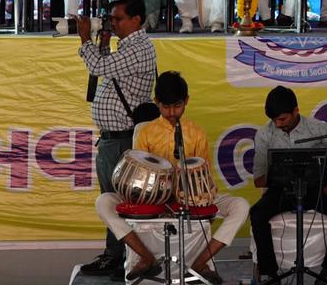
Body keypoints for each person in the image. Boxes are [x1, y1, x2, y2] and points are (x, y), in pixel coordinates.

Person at [92, 71, 249, 282]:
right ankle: (145, 258)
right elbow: (139, 172)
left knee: (240, 206)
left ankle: (201, 262)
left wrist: (200, 190)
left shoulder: (196, 133)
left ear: (186, 101)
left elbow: (204, 174)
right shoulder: (146, 132)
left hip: (190, 199)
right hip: (153, 199)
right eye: (166, 107)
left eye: (177, 106)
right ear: (157, 103)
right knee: (104, 201)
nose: (172, 112)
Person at [77, 0, 158, 279]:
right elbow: (103, 65)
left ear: (136, 20)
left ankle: (126, 257)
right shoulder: (129, 47)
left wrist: (85, 38)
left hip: (123, 140)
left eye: (118, 19)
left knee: (118, 202)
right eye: (111, 19)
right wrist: (100, 43)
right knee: (113, 200)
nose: (113, 23)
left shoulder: (138, 49)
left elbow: (98, 68)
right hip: (113, 138)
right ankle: (118, 256)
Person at [250, 86, 327, 285]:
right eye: (274, 120)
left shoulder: (319, 129)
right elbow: (258, 179)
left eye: (282, 119)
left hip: (313, 192)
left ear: (296, 110)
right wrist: (277, 175)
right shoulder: (264, 134)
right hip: (279, 192)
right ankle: (269, 274)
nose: (278, 124)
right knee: (257, 214)